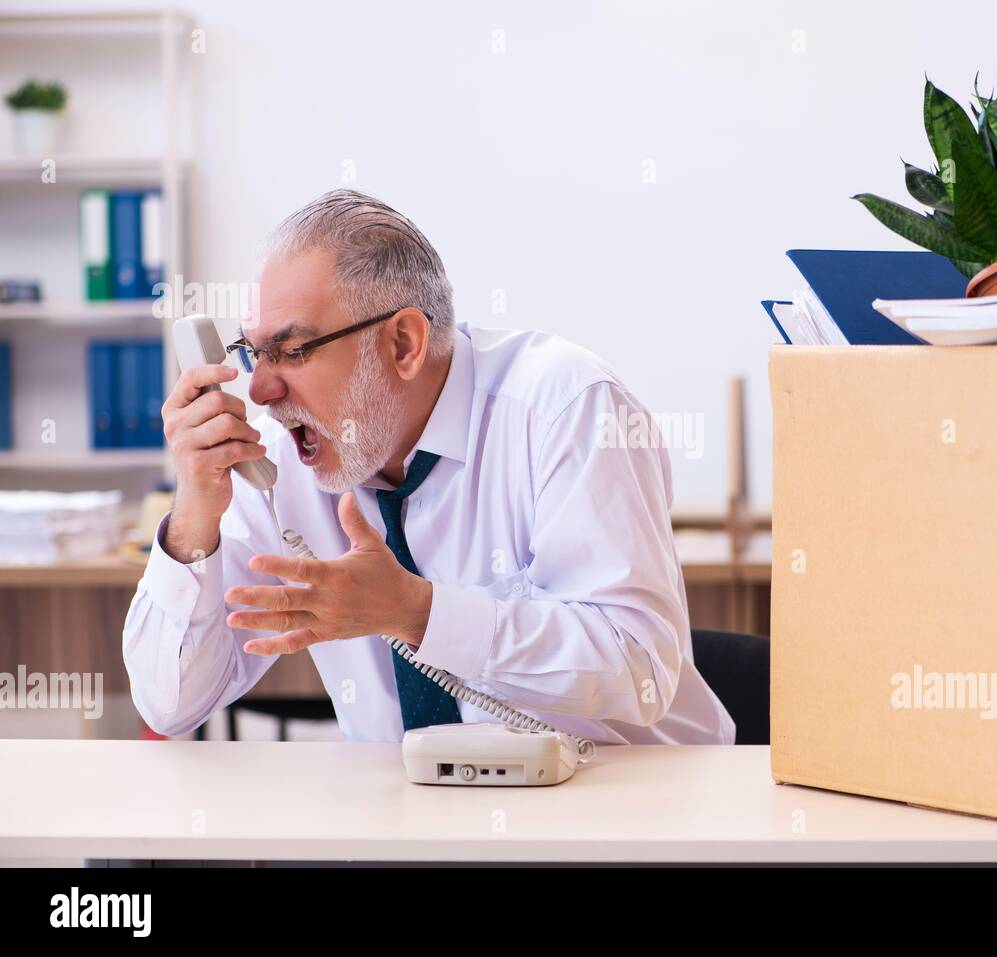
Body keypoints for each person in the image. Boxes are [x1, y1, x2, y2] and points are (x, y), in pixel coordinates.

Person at [123, 189, 735, 745]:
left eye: (293, 350)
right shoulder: (275, 457)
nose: (260, 391)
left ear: (404, 344)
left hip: (627, 828)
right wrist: (193, 516)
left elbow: (641, 670)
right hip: (412, 834)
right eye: (254, 353)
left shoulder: (568, 409)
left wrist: (415, 612)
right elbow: (168, 706)